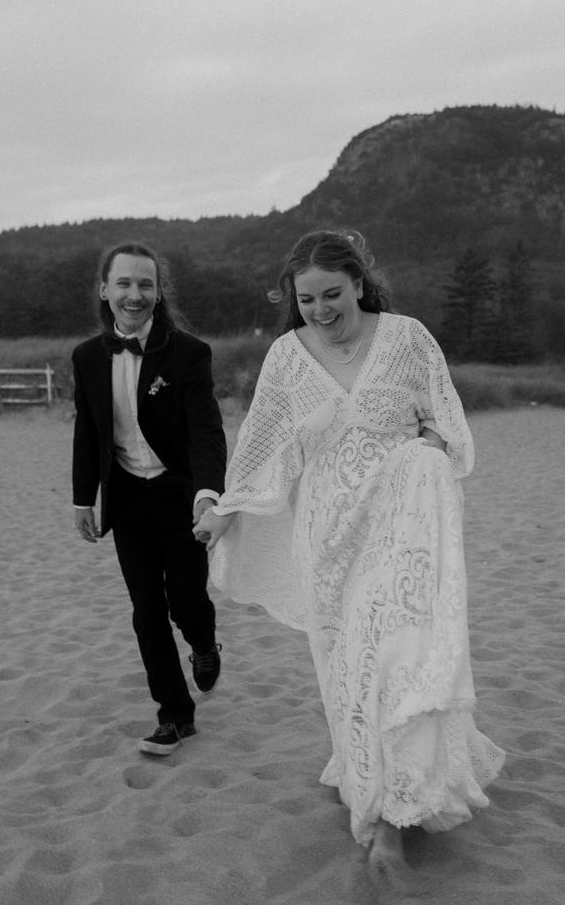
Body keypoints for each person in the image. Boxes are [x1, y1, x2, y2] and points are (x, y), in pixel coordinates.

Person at [194, 230, 504, 872]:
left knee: (397, 655)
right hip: (327, 534)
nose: (321, 309)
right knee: (344, 667)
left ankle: (392, 815)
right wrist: (225, 510)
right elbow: (268, 449)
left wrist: (431, 444)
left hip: (399, 526)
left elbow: (449, 427)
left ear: (359, 283)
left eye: (332, 293)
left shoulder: (408, 339)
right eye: (306, 299)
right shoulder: (285, 357)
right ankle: (370, 779)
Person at [73, 242, 227, 756]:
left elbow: (206, 432)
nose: (134, 294)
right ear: (105, 290)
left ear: (158, 293)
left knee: (187, 602)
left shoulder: (188, 353)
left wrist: (208, 495)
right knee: (146, 610)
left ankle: (204, 646)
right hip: (127, 501)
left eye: (145, 284)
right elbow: (87, 431)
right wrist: (82, 498)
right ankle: (174, 715)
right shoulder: (87, 358)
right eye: (124, 283)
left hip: (178, 497)